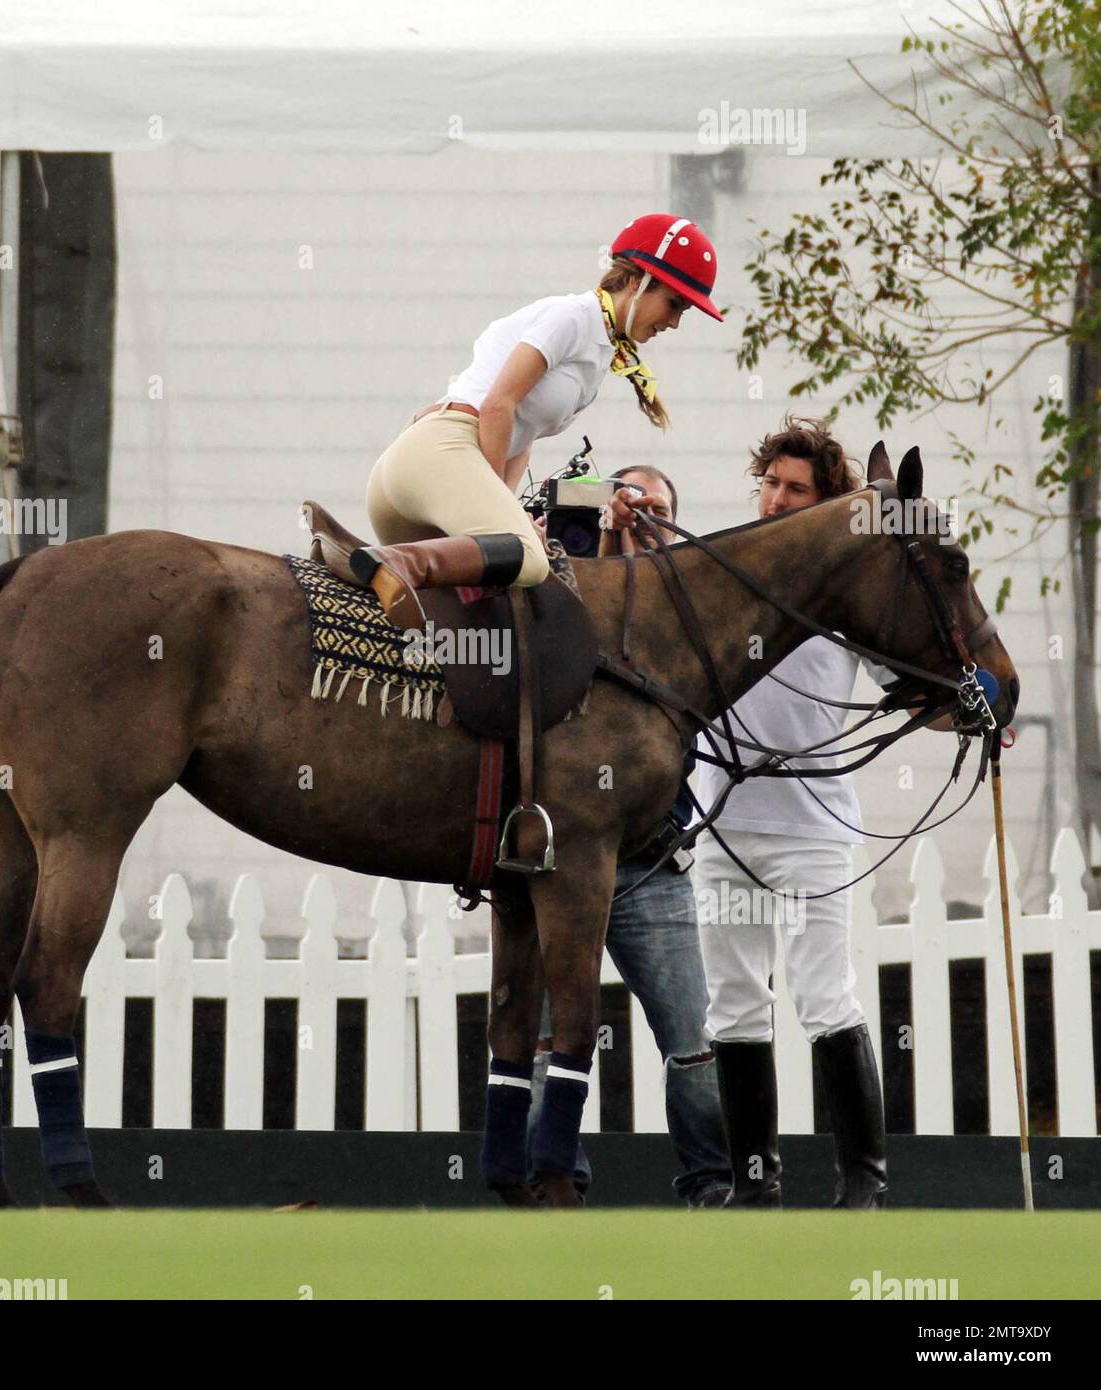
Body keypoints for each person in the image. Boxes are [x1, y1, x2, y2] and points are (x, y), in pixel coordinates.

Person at [691, 416, 895, 1209]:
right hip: (724, 828)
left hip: (812, 831)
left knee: (824, 998)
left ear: (822, 503)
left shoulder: (848, 595)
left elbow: (910, 674)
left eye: (795, 488)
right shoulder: (720, 571)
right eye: (769, 483)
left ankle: (864, 1188)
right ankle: (756, 1189)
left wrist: (980, 703)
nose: (775, 498)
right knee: (734, 1006)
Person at [349, 215, 723, 630]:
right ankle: (397, 562)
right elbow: (497, 407)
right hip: (439, 454)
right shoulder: (574, 317)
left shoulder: (599, 352)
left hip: (425, 473)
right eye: (675, 304)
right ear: (639, 281)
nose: (674, 322)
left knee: (495, 605)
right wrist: (503, 526)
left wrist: (504, 509)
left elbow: (521, 434)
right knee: (529, 559)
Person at [526, 465, 733, 1208]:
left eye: (661, 509)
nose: (645, 516)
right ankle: (550, 1183)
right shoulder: (571, 589)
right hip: (564, 864)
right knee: (548, 1043)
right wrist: (587, 537)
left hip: (653, 866)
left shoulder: (692, 614)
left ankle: (713, 1182)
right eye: (629, 501)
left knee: (695, 1043)